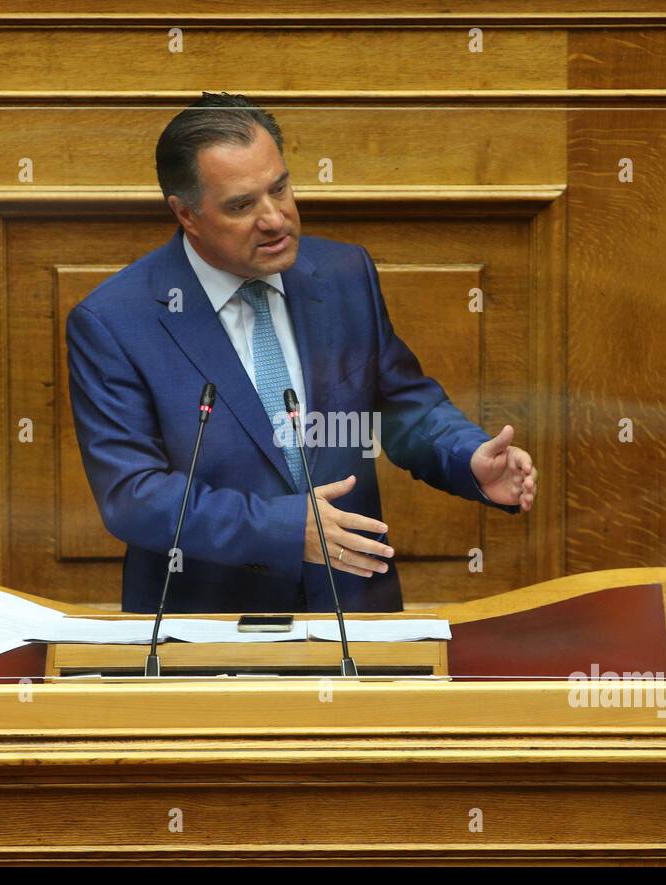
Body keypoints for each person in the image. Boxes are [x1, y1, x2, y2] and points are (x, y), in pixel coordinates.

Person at [66, 92, 537, 613]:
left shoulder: (342, 275)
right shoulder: (116, 320)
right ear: (187, 214)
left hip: (351, 609)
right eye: (242, 205)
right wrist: (286, 529)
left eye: (281, 188)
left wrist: (467, 458)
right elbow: (134, 497)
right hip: (204, 628)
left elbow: (405, 407)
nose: (275, 219)